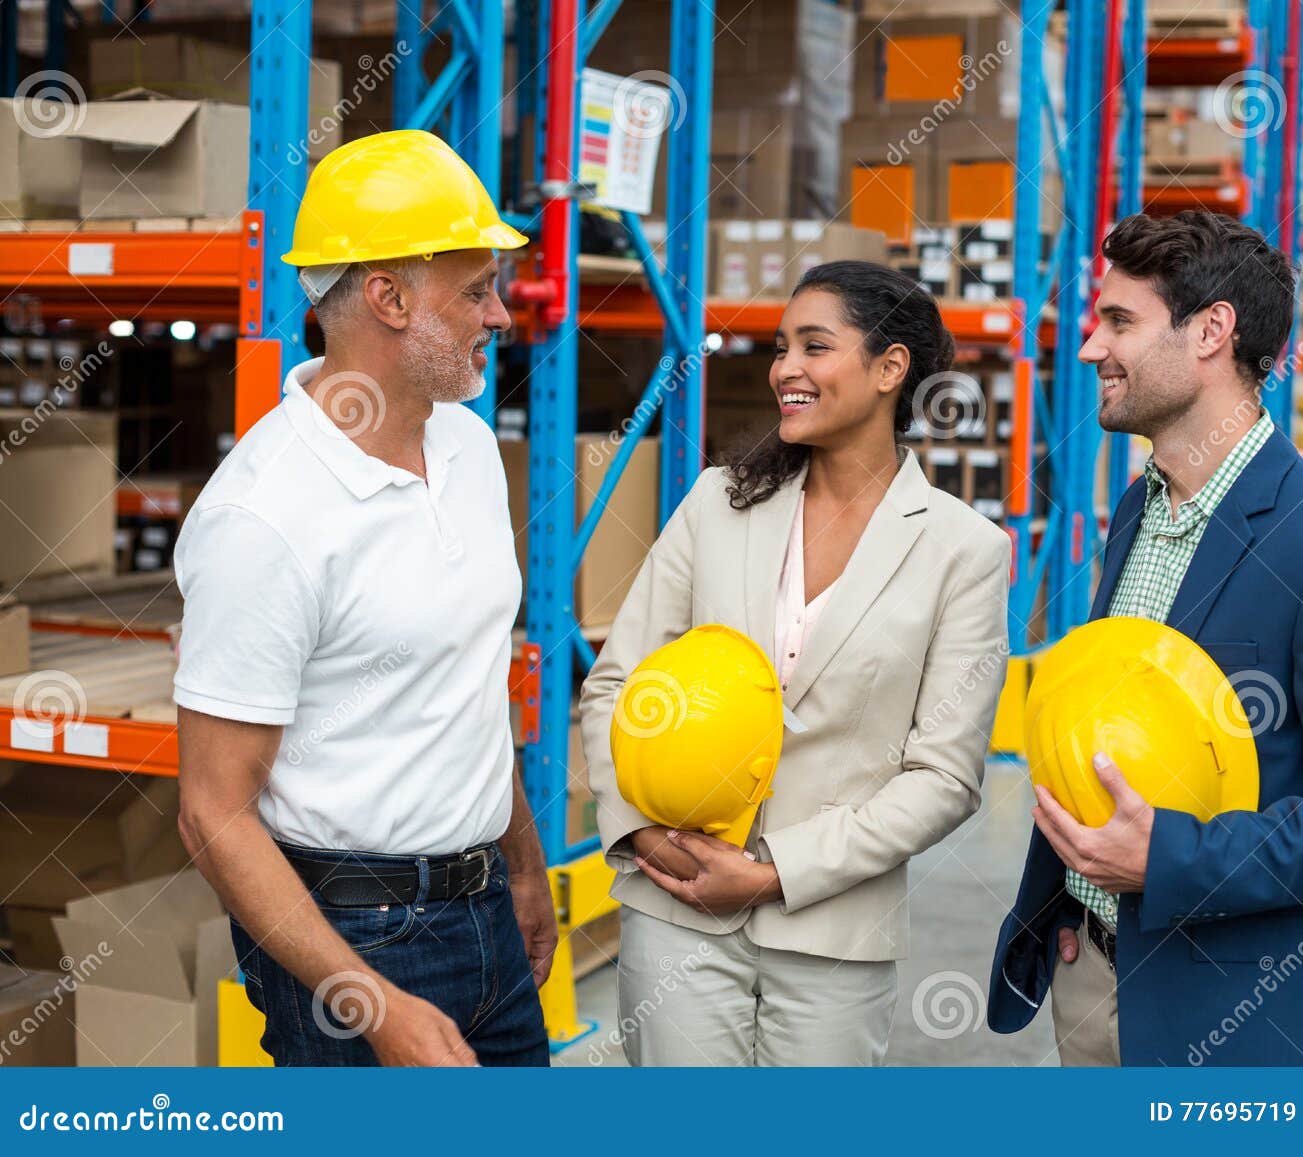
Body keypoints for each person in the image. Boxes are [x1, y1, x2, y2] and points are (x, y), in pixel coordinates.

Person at [988, 211, 1303, 1066]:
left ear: (1212, 331)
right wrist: (1077, 902)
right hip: (1094, 977)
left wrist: (1167, 858)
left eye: (1120, 321)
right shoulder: (1137, 509)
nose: (1091, 348)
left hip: (1240, 1012)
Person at [175, 131, 557, 1067]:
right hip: (350, 942)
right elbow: (211, 810)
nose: (502, 315)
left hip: (487, 916)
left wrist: (521, 862)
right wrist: (371, 1001)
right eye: (475, 291)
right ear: (386, 296)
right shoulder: (264, 518)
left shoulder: (465, 447)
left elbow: (465, 683)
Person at [580, 261, 1013, 1066]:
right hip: (675, 905)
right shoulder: (718, 502)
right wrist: (642, 830)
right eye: (781, 347)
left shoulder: (964, 550)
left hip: (832, 931)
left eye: (815, 346)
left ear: (891, 371)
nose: (785, 369)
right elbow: (616, 685)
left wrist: (776, 870)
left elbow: (945, 775)